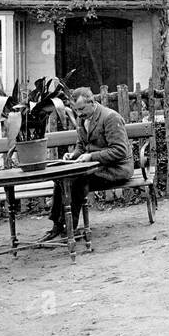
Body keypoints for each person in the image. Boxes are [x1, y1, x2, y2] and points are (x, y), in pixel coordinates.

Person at [39, 87, 133, 241]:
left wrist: (91, 156)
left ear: (93, 102)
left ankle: (70, 228)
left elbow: (120, 151)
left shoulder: (110, 117)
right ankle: (57, 225)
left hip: (116, 169)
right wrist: (74, 154)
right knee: (61, 176)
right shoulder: (83, 118)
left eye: (82, 109)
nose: (79, 114)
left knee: (76, 180)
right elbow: (81, 146)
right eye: (76, 110)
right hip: (96, 167)